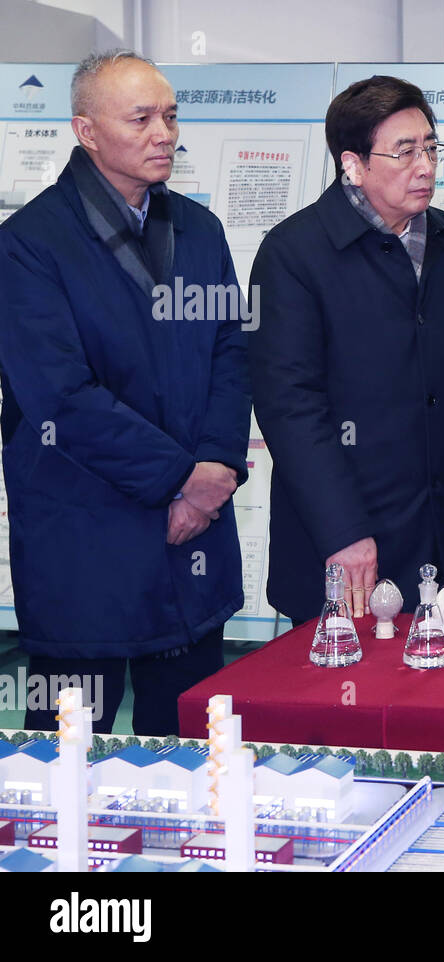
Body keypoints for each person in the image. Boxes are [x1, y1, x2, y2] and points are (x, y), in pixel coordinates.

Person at [0, 50, 250, 734]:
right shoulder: (27, 244)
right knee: (60, 767)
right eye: (140, 118)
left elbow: (230, 349)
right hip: (84, 543)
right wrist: (180, 480)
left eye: (170, 116)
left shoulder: (199, 231)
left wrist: (219, 465)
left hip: (189, 545)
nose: (163, 132)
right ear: (86, 132)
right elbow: (62, 398)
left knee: (198, 755)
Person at [249, 76, 444, 624]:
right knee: (341, 702)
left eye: (431, 148)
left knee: (443, 693)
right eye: (405, 151)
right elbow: (290, 409)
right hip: (344, 538)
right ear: (353, 164)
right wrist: (343, 532)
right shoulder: (293, 254)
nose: (425, 166)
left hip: (442, 528)